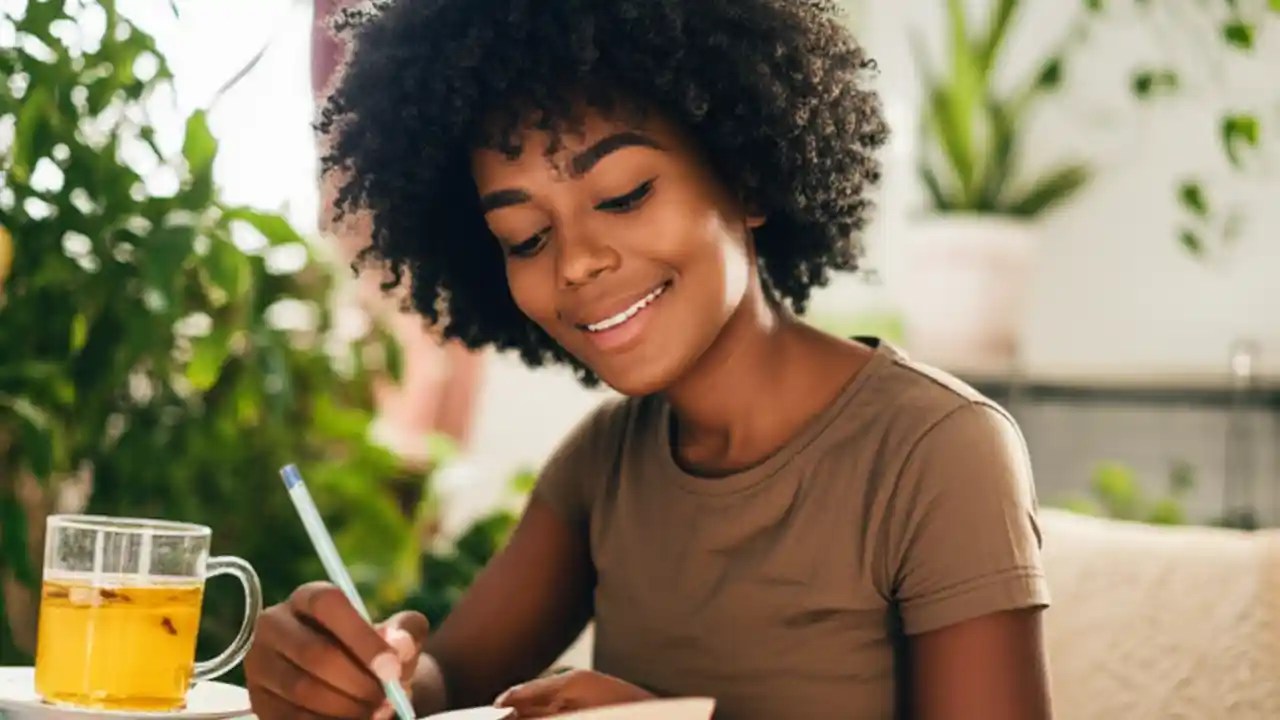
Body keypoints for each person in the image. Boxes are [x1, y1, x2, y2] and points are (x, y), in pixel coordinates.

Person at [243, 1, 1053, 718]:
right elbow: (447, 680)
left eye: (626, 195)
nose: (577, 263)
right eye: (525, 238)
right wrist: (355, 682)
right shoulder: (605, 465)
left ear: (747, 177)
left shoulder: (936, 452)